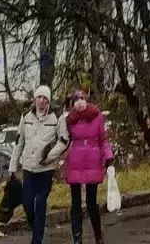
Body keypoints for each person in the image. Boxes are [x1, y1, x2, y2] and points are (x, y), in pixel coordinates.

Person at [16, 85, 70, 244]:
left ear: (48, 101)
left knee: (39, 203)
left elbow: (63, 141)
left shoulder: (57, 117)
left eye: (45, 98)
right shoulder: (26, 117)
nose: (41, 100)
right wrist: (13, 167)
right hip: (28, 168)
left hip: (45, 169)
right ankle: (38, 227)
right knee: (27, 204)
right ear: (35, 99)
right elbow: (20, 142)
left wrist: (48, 156)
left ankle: (36, 240)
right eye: (39, 97)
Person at [63, 89, 114, 244]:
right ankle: (77, 239)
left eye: (82, 99)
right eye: (76, 100)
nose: (79, 103)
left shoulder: (96, 116)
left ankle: (98, 235)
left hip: (92, 161)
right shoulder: (69, 120)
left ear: (86, 101)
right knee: (76, 203)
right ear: (73, 104)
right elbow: (64, 141)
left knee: (91, 202)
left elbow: (103, 140)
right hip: (75, 162)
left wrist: (109, 157)